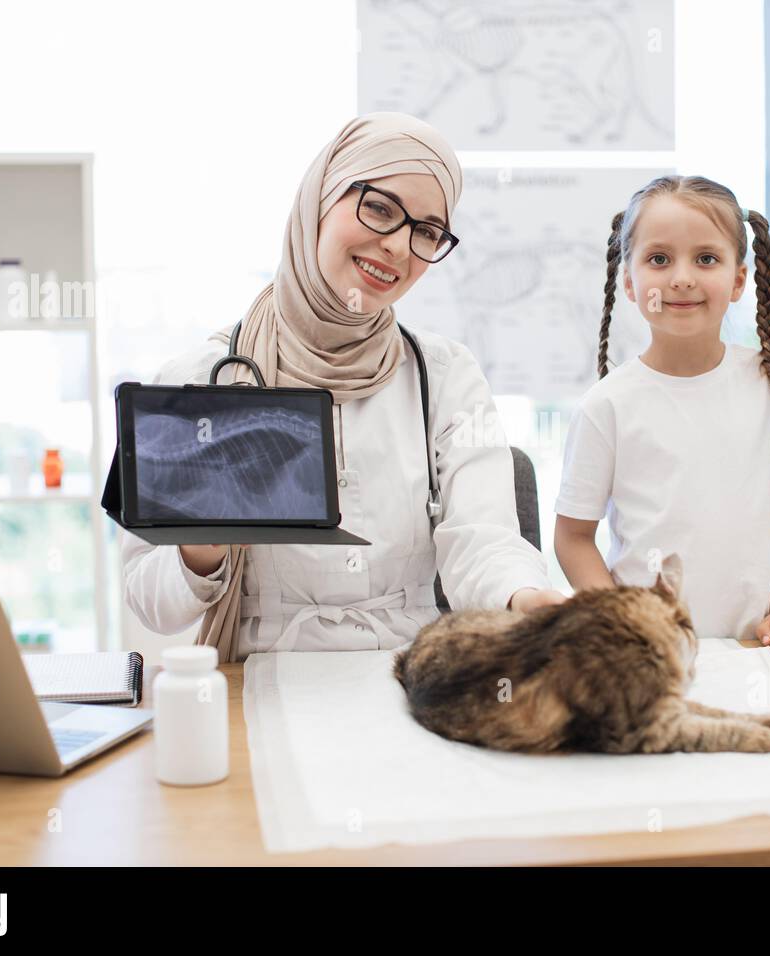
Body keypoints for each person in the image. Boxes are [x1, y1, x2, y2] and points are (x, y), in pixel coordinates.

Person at [122, 112, 567, 661]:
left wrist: (527, 598)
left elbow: (483, 539)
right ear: (319, 199)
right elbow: (149, 601)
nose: (399, 247)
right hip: (262, 671)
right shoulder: (200, 379)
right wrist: (201, 548)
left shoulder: (445, 374)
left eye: (426, 232)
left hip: (409, 672)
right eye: (380, 208)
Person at [553, 174, 770, 652]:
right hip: (649, 657)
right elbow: (573, 537)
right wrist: (620, 622)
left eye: (706, 259)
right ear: (629, 282)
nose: (682, 278)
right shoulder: (607, 405)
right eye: (659, 259)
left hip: (757, 654)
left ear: (739, 280)